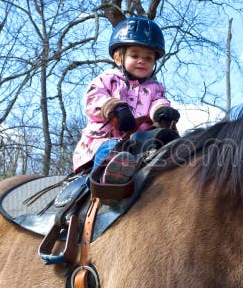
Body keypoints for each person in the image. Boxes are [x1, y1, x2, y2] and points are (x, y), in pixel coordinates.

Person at [72, 17, 180, 187]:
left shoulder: (154, 88)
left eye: (148, 58)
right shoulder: (108, 79)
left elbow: (158, 102)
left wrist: (162, 112)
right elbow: (94, 100)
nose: (142, 61)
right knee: (111, 148)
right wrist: (116, 108)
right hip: (106, 138)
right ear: (118, 58)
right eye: (134, 55)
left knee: (168, 153)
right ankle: (100, 182)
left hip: (140, 143)